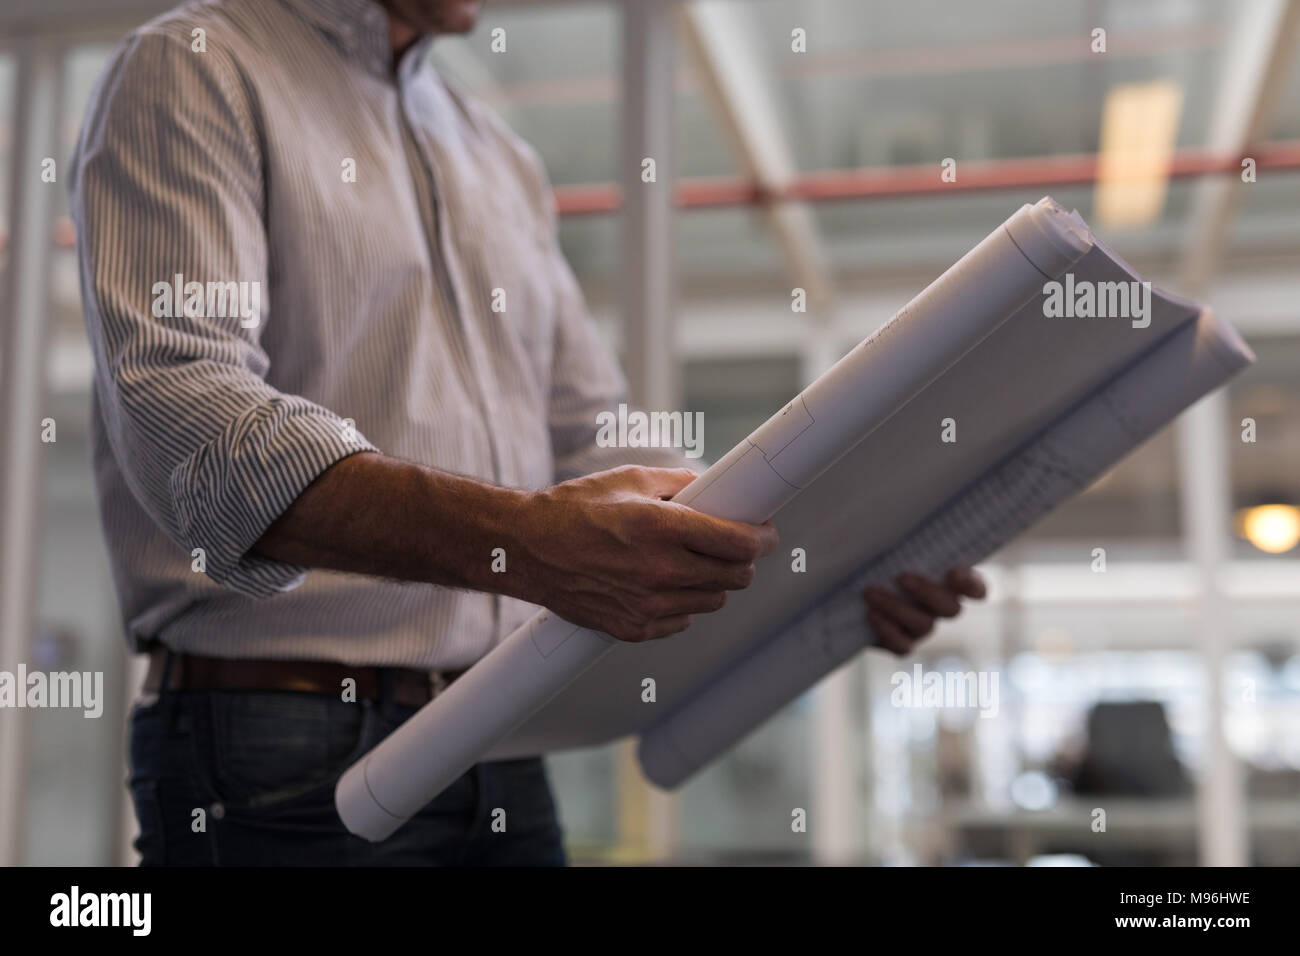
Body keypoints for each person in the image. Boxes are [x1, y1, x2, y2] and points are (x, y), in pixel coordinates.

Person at [69, 0, 985, 866]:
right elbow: (194, 430)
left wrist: (826, 564)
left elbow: (594, 438)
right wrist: (524, 543)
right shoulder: (195, 69)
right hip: (280, 749)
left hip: (496, 741)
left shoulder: (497, 155)